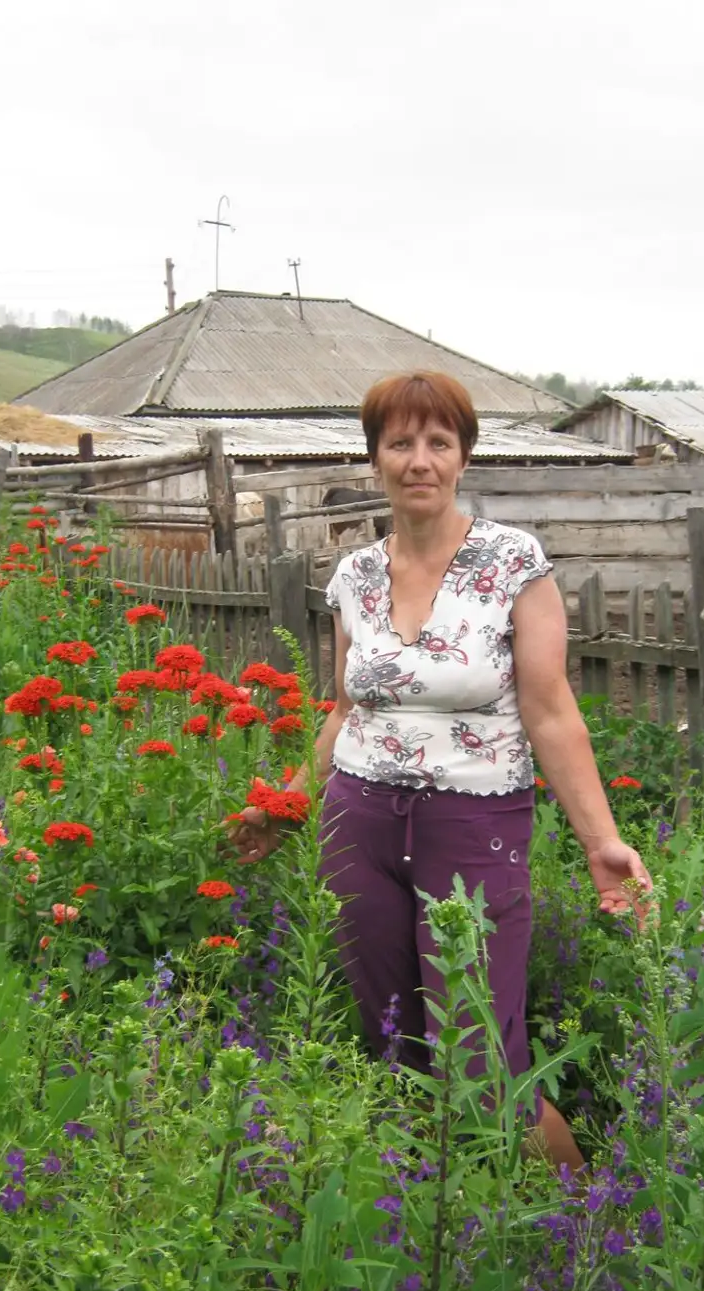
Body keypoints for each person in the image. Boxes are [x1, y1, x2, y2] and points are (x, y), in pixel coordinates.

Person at [230, 371, 650, 1172]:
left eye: (437, 442)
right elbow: (348, 708)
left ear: (462, 458)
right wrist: (286, 804)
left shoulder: (511, 561)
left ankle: (585, 1228)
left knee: (486, 1060)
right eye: (399, 442)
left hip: (474, 825)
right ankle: (435, 1218)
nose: (418, 460)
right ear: (375, 458)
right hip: (359, 825)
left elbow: (551, 709)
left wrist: (603, 842)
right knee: (395, 1037)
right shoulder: (353, 576)